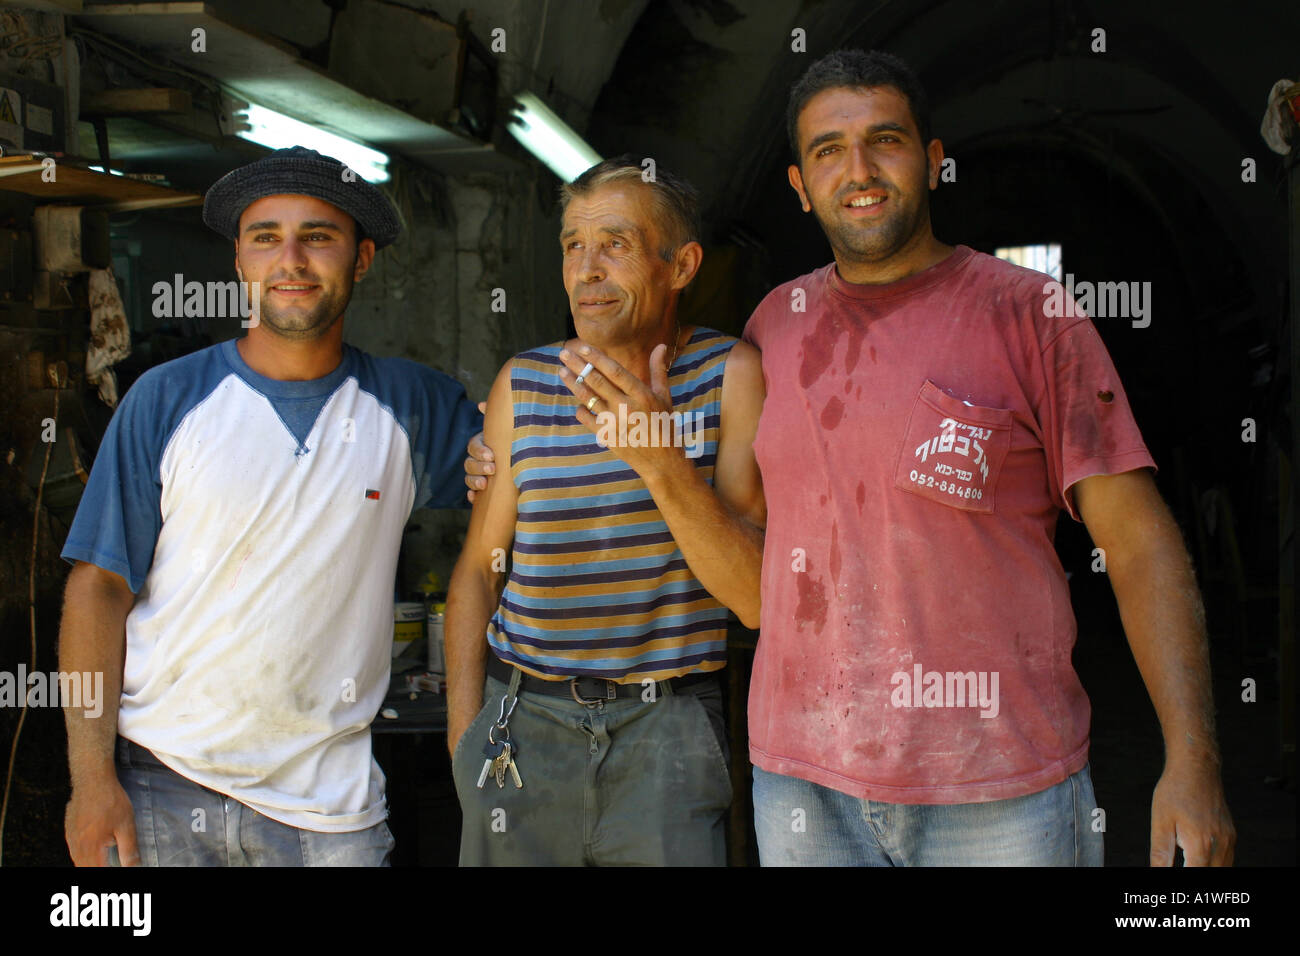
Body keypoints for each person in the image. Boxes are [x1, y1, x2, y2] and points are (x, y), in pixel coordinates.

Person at [467, 51, 1236, 867]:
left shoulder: (1031, 315)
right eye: (829, 151)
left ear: (934, 161)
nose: (859, 171)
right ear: (800, 185)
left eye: (887, 141)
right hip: (804, 790)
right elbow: (719, 515)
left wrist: (1192, 763)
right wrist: (497, 451)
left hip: (1000, 789)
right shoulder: (774, 327)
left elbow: (1142, 543)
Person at [59, 146, 481, 867]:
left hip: (330, 814)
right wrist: (91, 781)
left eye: (318, 236)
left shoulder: (414, 407)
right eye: (265, 237)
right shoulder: (166, 398)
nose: (291, 259)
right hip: (164, 788)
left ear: (363, 258)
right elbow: (99, 588)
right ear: (240, 263)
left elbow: (534, 475)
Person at [445, 157, 766, 866]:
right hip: (522, 720)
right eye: (572, 245)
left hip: (668, 729)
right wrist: (465, 740)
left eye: (615, 244)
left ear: (680, 266)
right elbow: (476, 572)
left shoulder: (731, 377)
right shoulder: (524, 383)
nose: (586, 269)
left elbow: (754, 599)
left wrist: (659, 457)